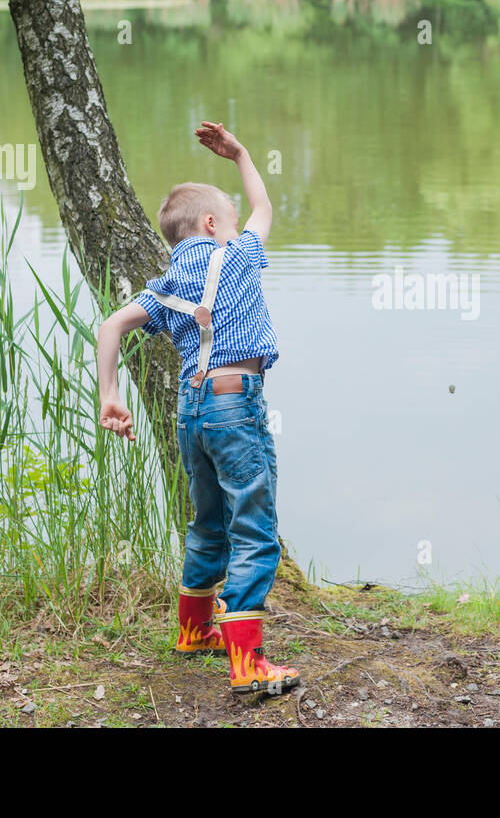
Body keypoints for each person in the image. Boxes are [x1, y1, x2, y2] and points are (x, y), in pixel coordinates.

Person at [96, 120, 299, 695]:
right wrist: (240, 155)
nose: (238, 226)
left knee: (208, 521)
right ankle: (247, 663)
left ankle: (194, 631)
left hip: (191, 412)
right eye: (228, 222)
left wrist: (110, 394)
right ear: (213, 226)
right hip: (236, 406)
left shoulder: (163, 287)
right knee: (254, 527)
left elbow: (111, 326)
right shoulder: (235, 255)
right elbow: (264, 207)